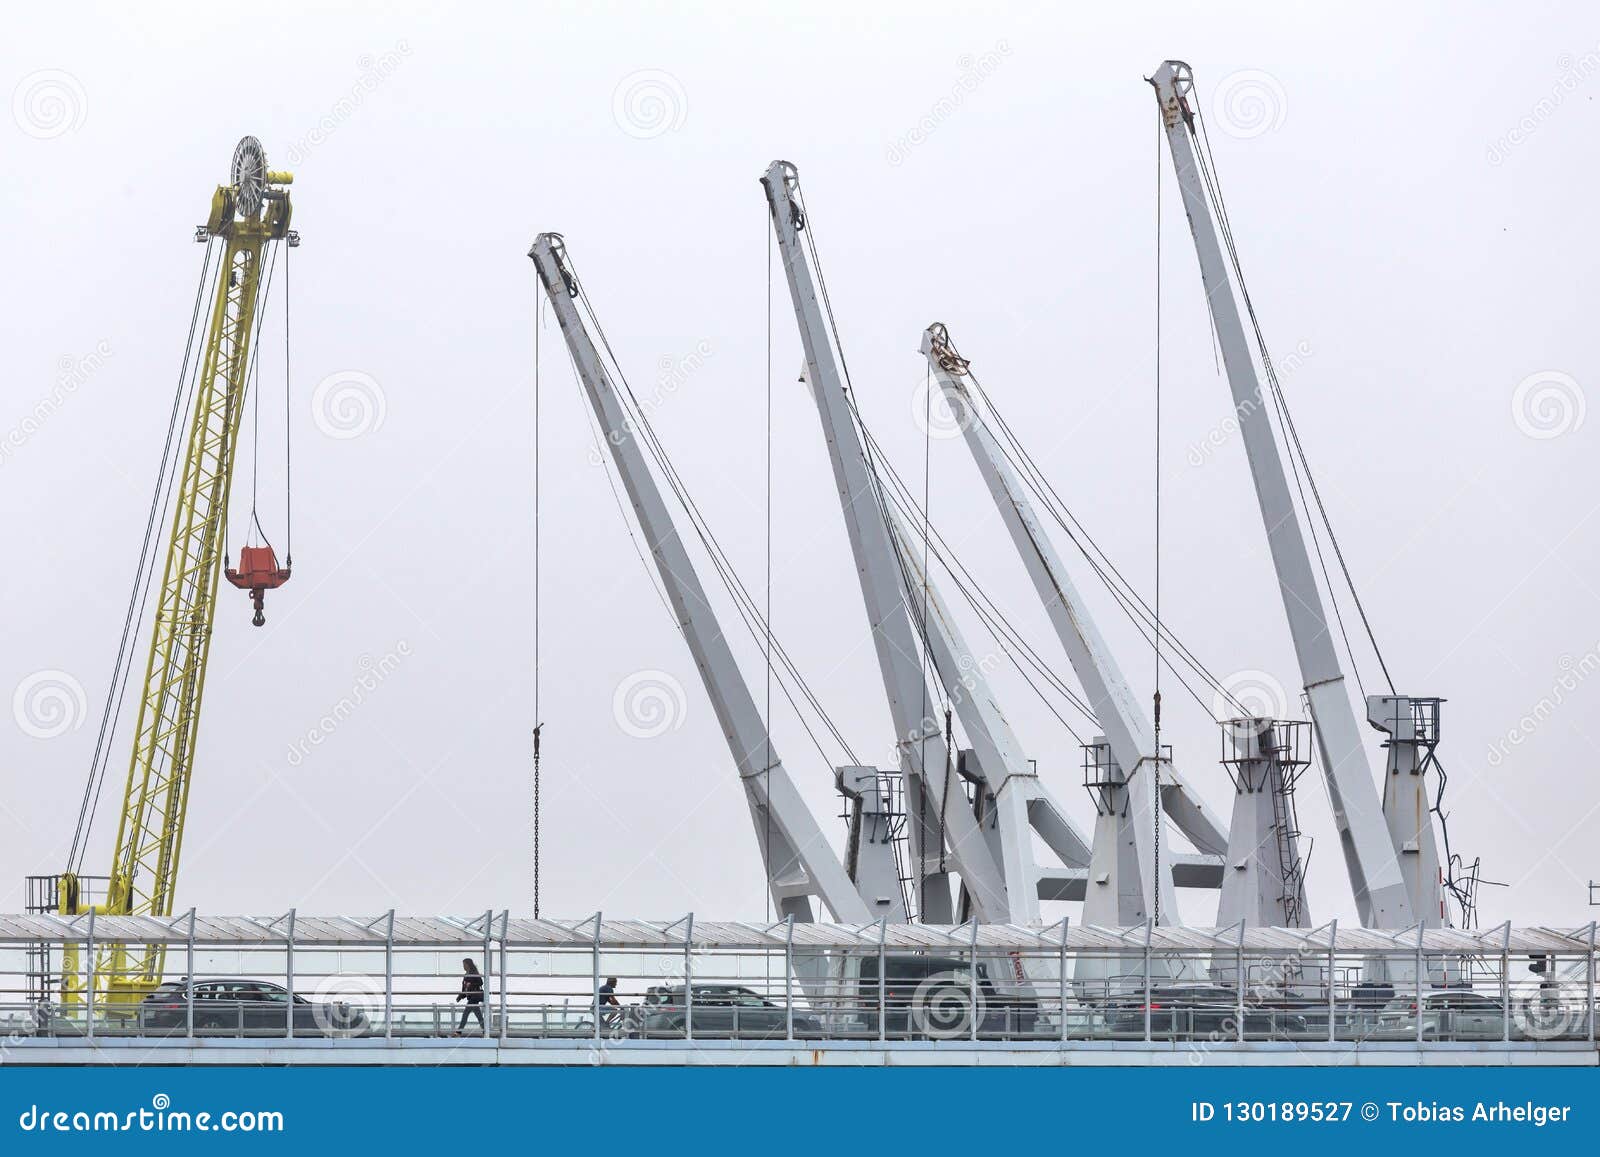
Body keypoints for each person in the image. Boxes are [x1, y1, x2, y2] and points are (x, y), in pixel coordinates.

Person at [455, 958, 485, 1034]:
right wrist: (460, 996)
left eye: (464, 964)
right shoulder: (466, 974)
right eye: (463, 965)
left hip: (475, 997)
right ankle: (485, 1030)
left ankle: (459, 1032)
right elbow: (465, 988)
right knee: (478, 1015)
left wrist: (471, 984)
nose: (463, 966)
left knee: (466, 1013)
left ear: (468, 965)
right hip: (471, 997)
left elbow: (480, 982)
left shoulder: (473, 973)